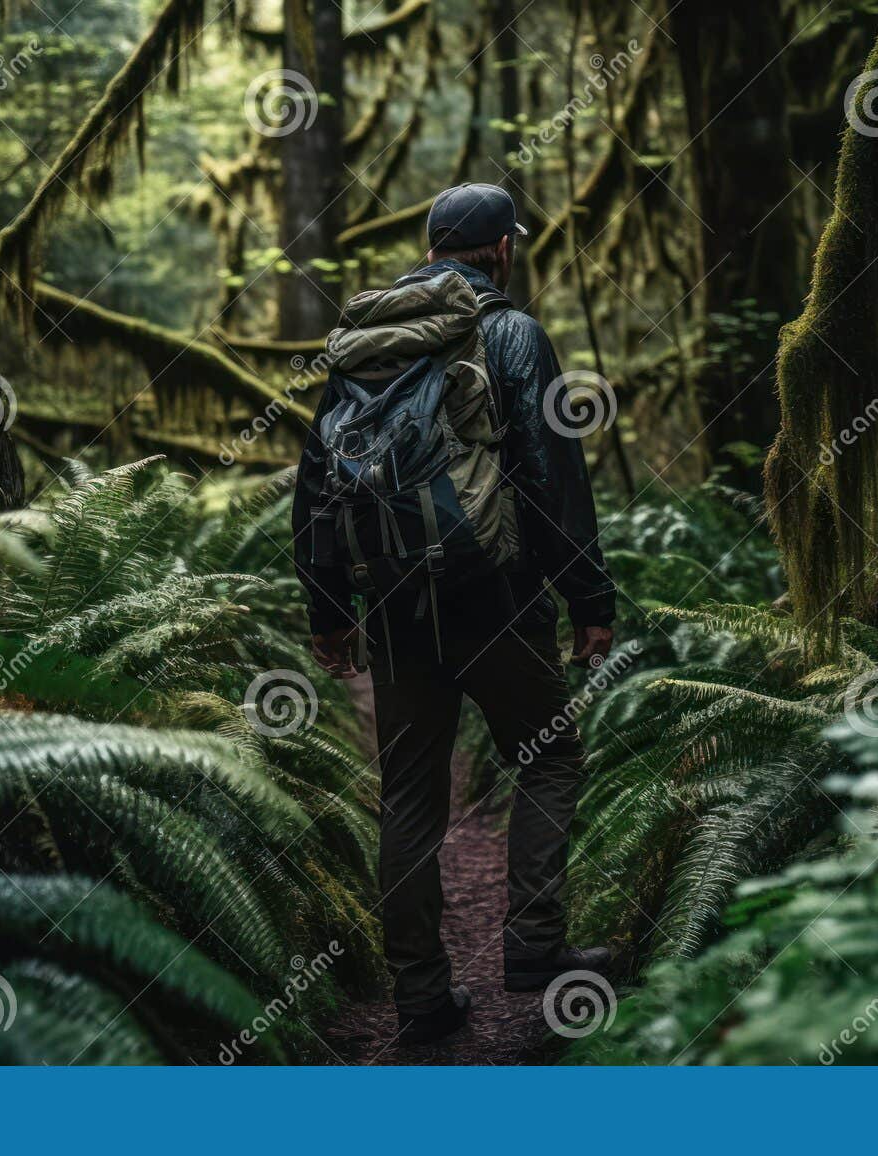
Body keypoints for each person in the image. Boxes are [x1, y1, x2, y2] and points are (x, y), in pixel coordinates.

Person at [293, 183, 617, 1045]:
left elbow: (315, 482)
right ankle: (536, 948)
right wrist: (589, 600)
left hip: (396, 608)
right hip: (496, 600)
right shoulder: (510, 334)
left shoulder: (365, 344)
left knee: (407, 800)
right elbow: (551, 478)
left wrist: (328, 610)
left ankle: (421, 1000)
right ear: (502, 250)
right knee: (549, 759)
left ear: (432, 248)